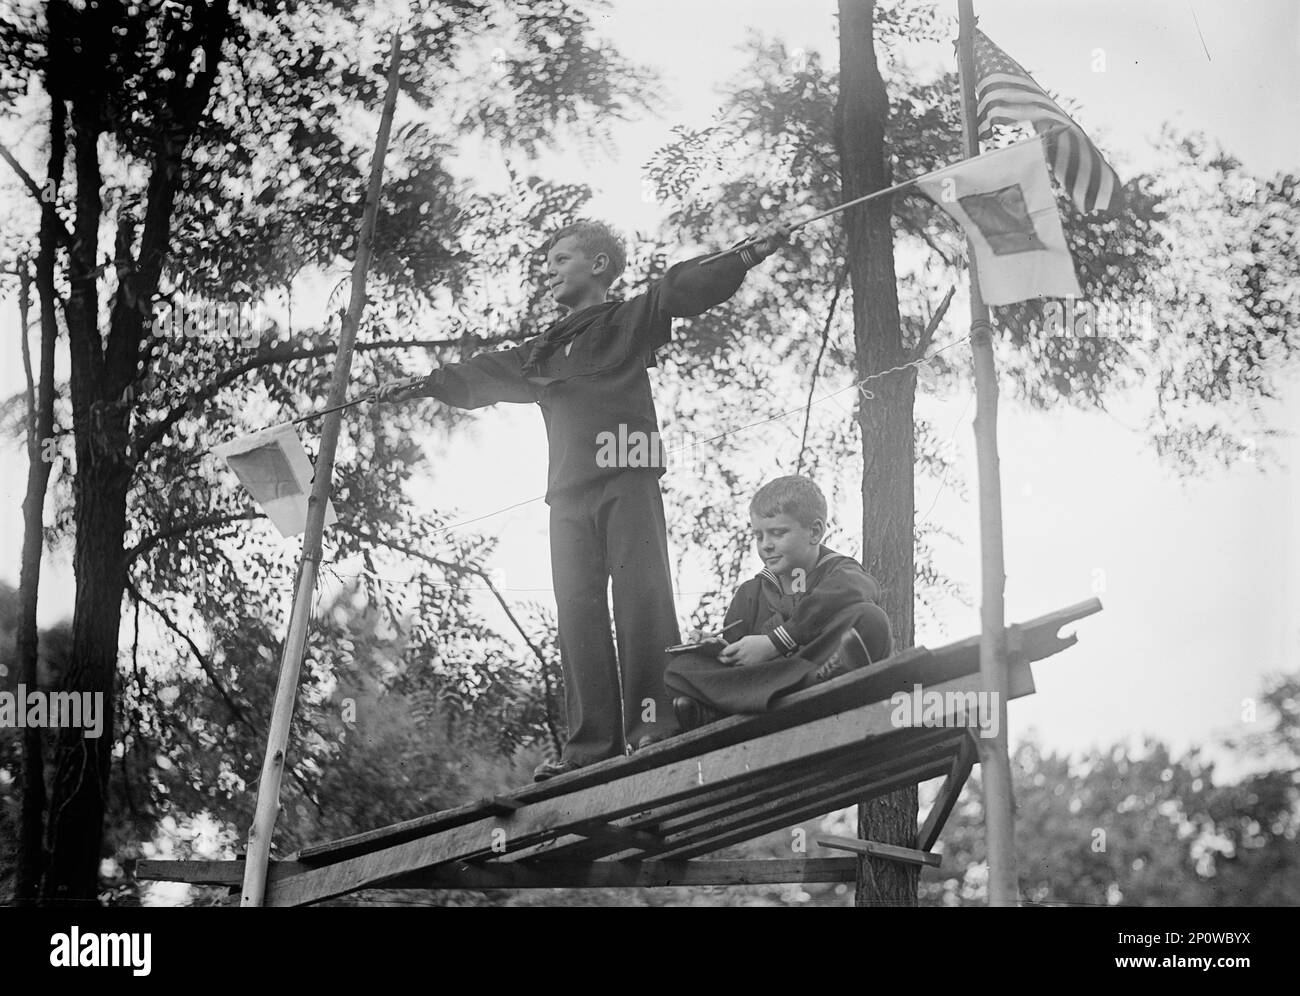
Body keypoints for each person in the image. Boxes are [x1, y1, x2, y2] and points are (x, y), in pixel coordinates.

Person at [377, 220, 789, 779]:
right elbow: (484, 373)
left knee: (642, 599)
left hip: (628, 476)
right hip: (567, 494)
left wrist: (745, 255)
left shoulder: (629, 318)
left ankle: (653, 727)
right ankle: (588, 749)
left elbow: (682, 288)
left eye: (560, 259)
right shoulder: (542, 352)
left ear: (597, 266)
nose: (548, 270)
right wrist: (425, 384)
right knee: (578, 611)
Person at [665, 475, 892, 730]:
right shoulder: (750, 592)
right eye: (759, 536)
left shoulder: (842, 571)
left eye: (778, 533)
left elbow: (863, 590)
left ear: (815, 532)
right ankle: (808, 683)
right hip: (770, 682)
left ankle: (721, 710)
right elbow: (735, 652)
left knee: (871, 619)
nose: (766, 546)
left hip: (806, 669)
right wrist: (716, 647)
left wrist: (778, 641)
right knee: (679, 668)